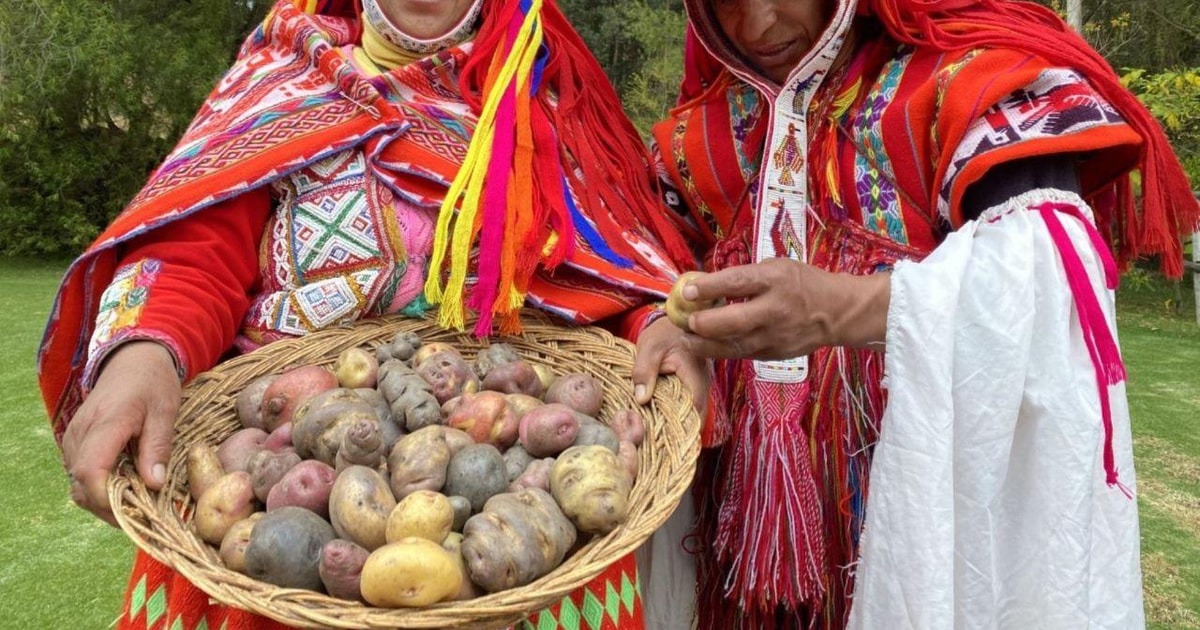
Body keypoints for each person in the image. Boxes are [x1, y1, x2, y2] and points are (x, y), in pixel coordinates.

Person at [36, 0, 696, 628]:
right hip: (268, 557)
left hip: (526, 547)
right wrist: (145, 352)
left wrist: (654, 325)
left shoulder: (552, 105)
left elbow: (614, 271)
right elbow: (194, 255)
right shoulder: (280, 80)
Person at [629, 0, 1200, 628]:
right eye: (728, 2)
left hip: (916, 523)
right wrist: (663, 326)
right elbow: (648, 266)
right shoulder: (700, 136)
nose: (756, 25)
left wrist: (839, 309)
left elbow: (1051, 278)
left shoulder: (964, 84)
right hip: (730, 551)